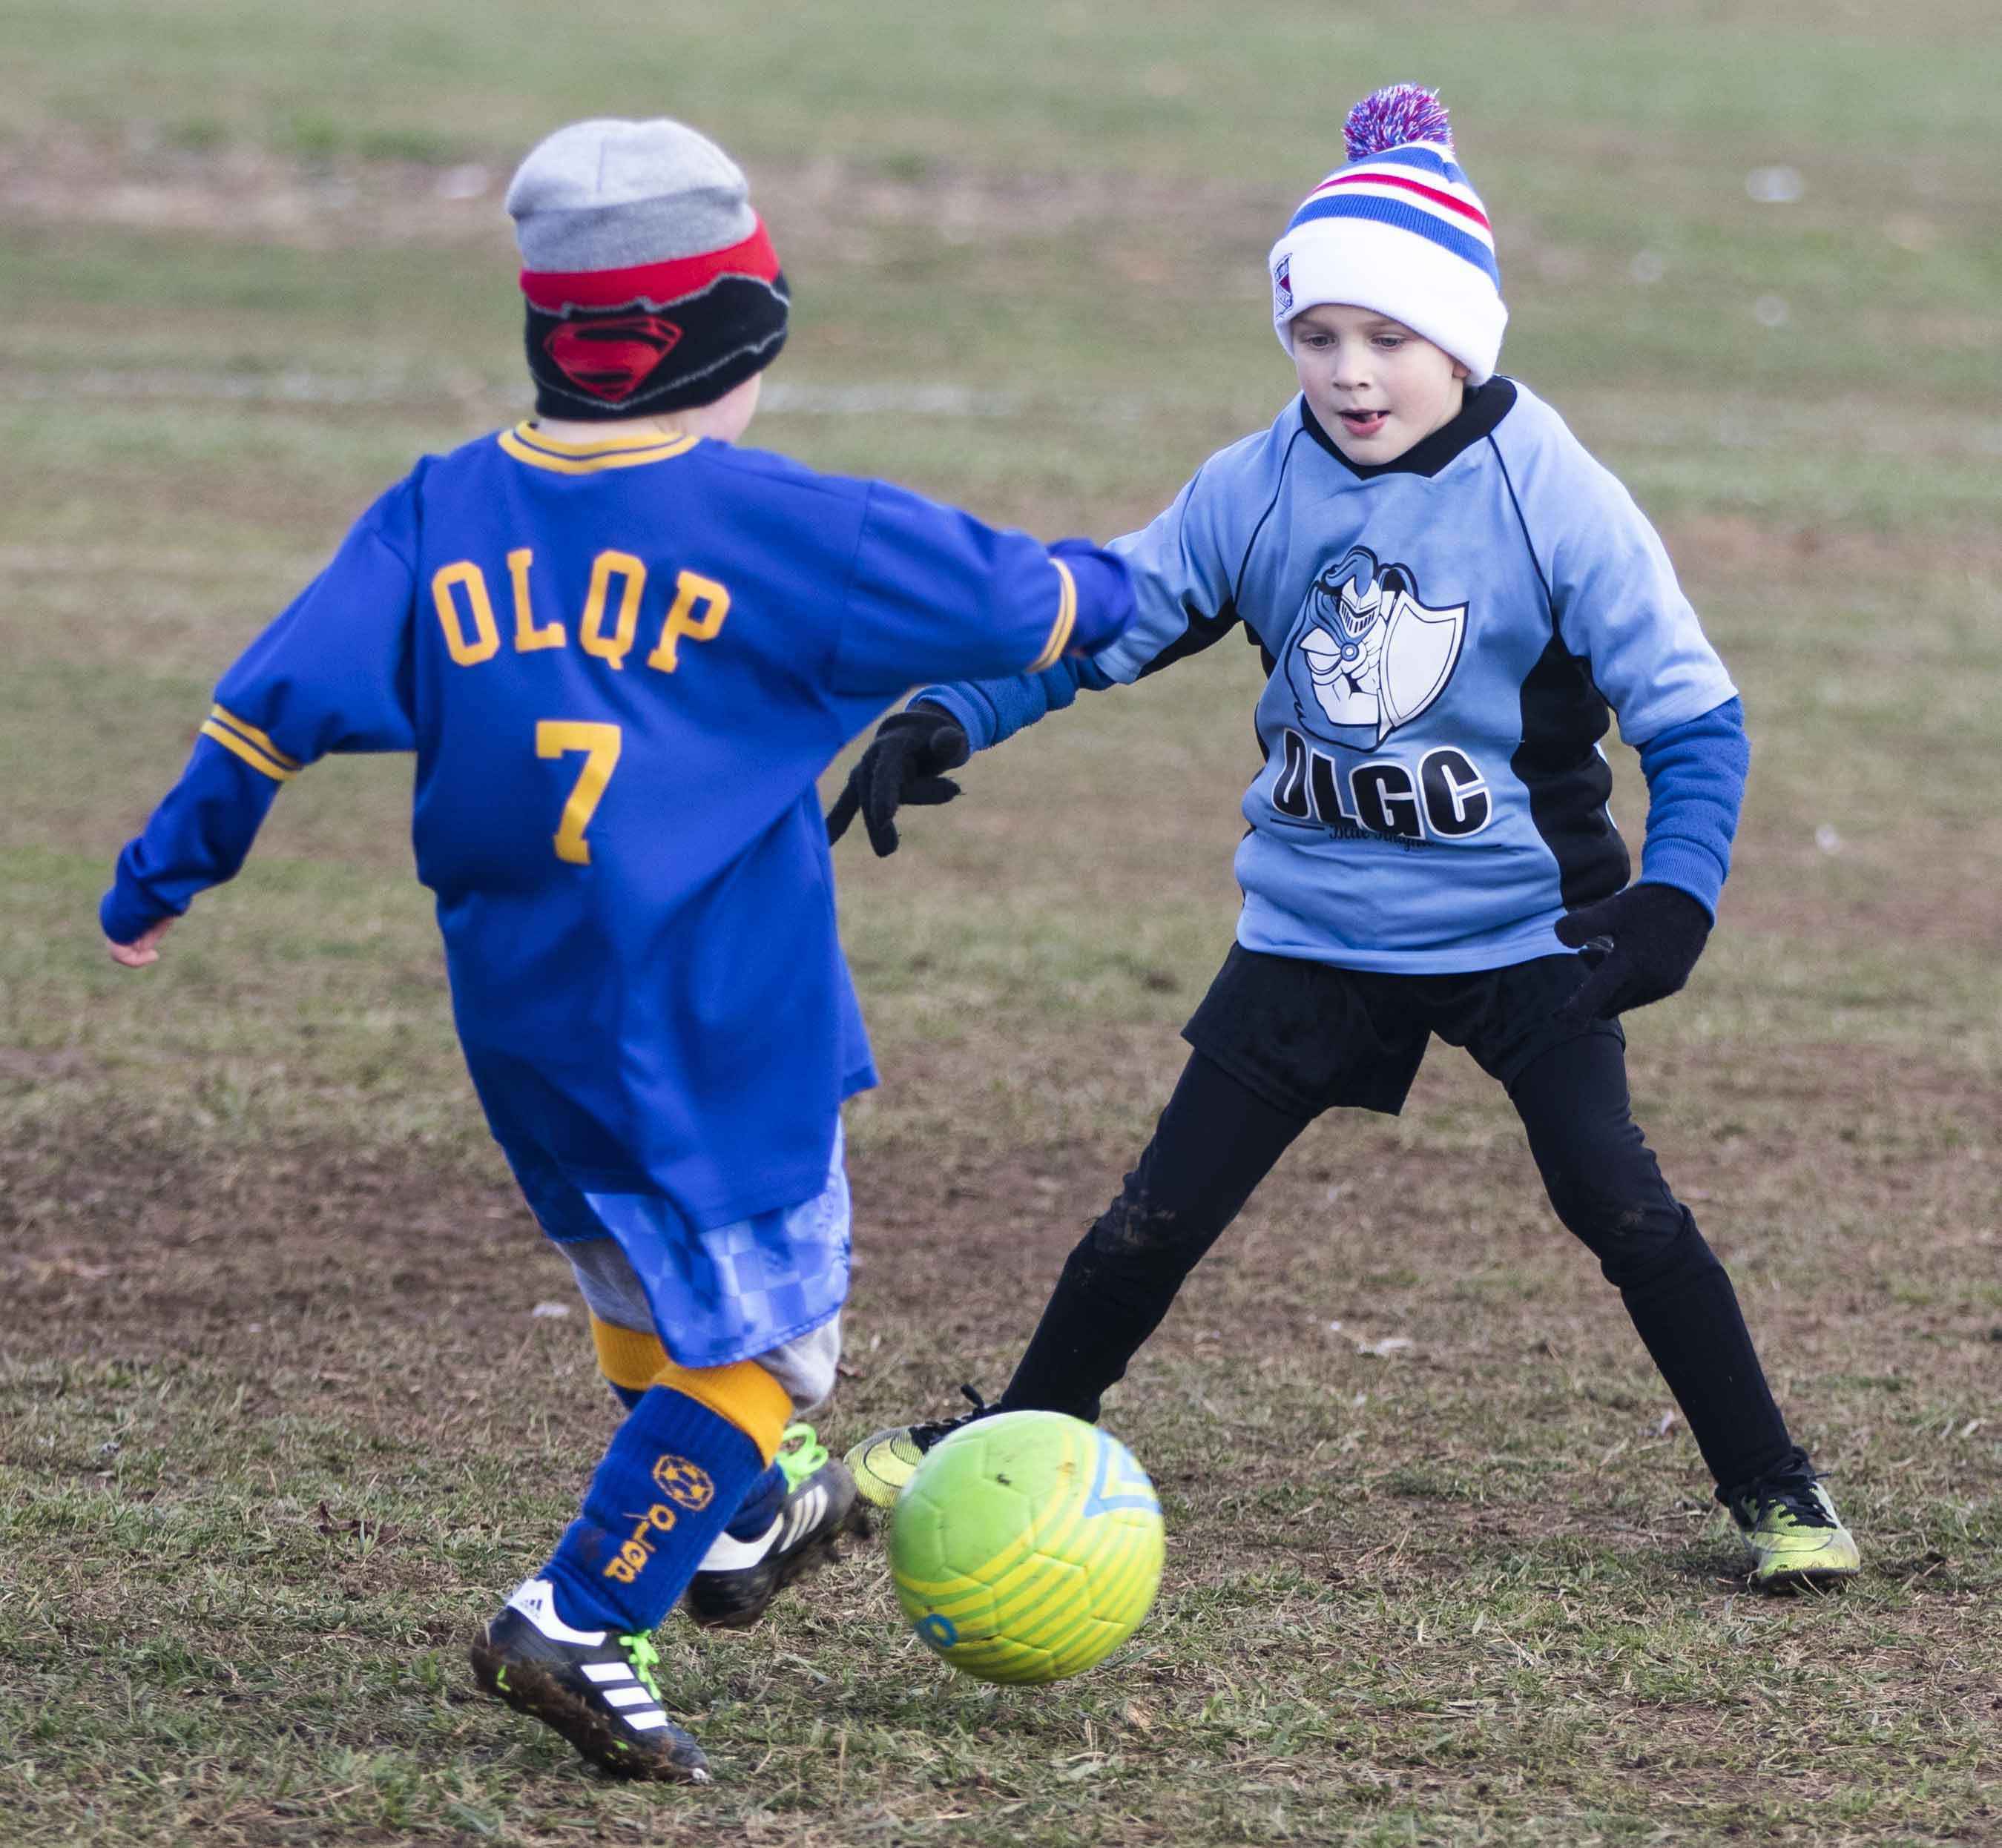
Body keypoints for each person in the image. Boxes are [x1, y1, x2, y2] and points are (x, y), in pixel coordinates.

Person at [100, 116, 1136, 1781]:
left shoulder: (438, 510)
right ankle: (585, 1608)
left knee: (644, 1276)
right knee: (770, 1349)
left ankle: (723, 1525)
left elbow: (263, 710)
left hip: (528, 1026)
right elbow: (1036, 606)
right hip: (722, 1033)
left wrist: (161, 876)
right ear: (739, 328)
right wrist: (1127, 582)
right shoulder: (785, 523)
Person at [831, 86, 1859, 1594]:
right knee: (1148, 1222)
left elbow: (1695, 721)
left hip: (1526, 935)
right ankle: (1017, 1429)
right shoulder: (1260, 481)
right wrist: (955, 714)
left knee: (1622, 1204)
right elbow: (1105, 622)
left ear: (1464, 336)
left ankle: (1778, 1492)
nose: (1351, 371)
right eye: (1318, 336)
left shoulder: (1548, 489)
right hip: (1313, 925)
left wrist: (1676, 903)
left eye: (1389, 337)